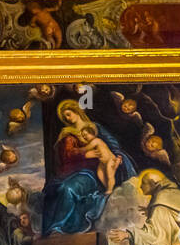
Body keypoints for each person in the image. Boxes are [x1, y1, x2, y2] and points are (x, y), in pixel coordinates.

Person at [41, 99, 134, 235]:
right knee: (55, 192)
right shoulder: (67, 133)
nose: (67, 118)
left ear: (76, 111)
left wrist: (118, 156)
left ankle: (59, 227)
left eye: (68, 114)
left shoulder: (94, 127)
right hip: (74, 171)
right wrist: (85, 154)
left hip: (93, 172)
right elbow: (63, 156)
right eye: (64, 117)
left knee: (69, 188)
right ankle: (57, 230)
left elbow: (111, 143)